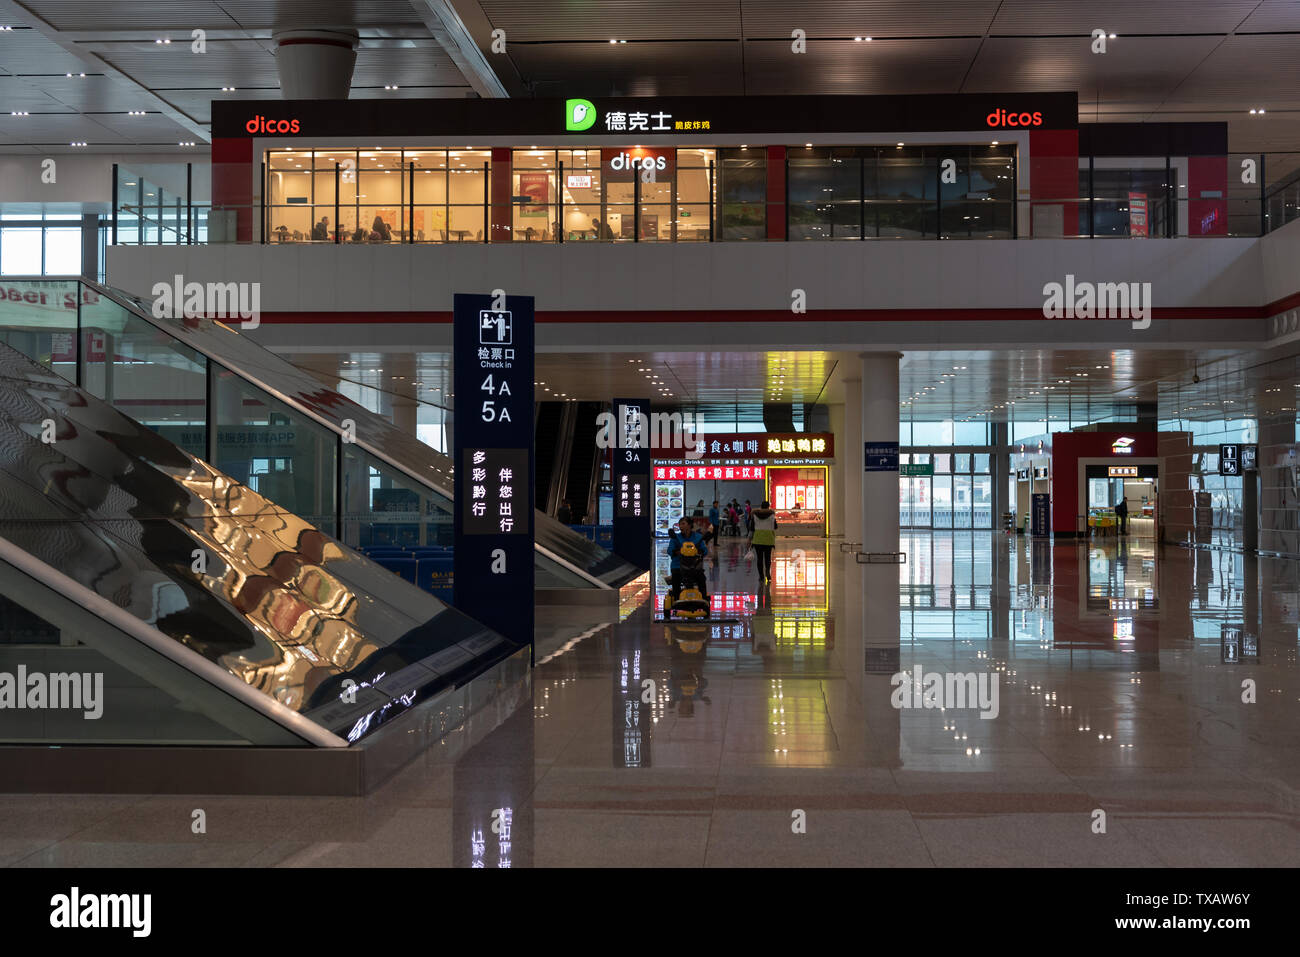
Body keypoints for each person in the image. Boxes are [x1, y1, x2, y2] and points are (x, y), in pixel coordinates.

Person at [668, 516, 709, 603]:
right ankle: (676, 599)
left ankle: (704, 600)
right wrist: (677, 551)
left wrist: (700, 551)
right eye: (680, 524)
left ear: (690, 525)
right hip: (678, 566)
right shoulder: (676, 538)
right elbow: (670, 550)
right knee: (676, 578)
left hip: (695, 566)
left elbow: (705, 550)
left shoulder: (698, 537)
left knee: (701, 579)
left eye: (683, 524)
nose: (680, 526)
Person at [748, 500, 777, 585]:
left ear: (761, 506)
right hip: (768, 540)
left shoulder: (755, 516)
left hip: (758, 540)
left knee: (759, 559)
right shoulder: (772, 515)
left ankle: (761, 576)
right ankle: (768, 572)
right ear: (768, 507)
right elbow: (775, 527)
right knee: (767, 558)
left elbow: (752, 528)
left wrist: (749, 539)